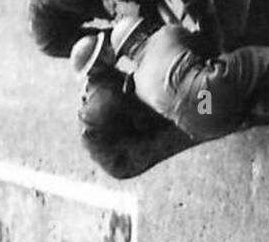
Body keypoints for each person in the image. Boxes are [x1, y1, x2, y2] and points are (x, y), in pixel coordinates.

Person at [71, 16, 269, 142]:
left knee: (254, 100)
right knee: (258, 61)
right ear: (139, 33)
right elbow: (203, 45)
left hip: (200, 125)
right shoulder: (163, 35)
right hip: (205, 93)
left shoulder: (137, 85)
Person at [69, 32, 197, 178]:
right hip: (123, 158)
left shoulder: (101, 79)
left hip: (116, 135)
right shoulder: (111, 98)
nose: (110, 49)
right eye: (104, 51)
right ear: (97, 63)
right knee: (190, 125)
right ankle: (211, 111)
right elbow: (152, 118)